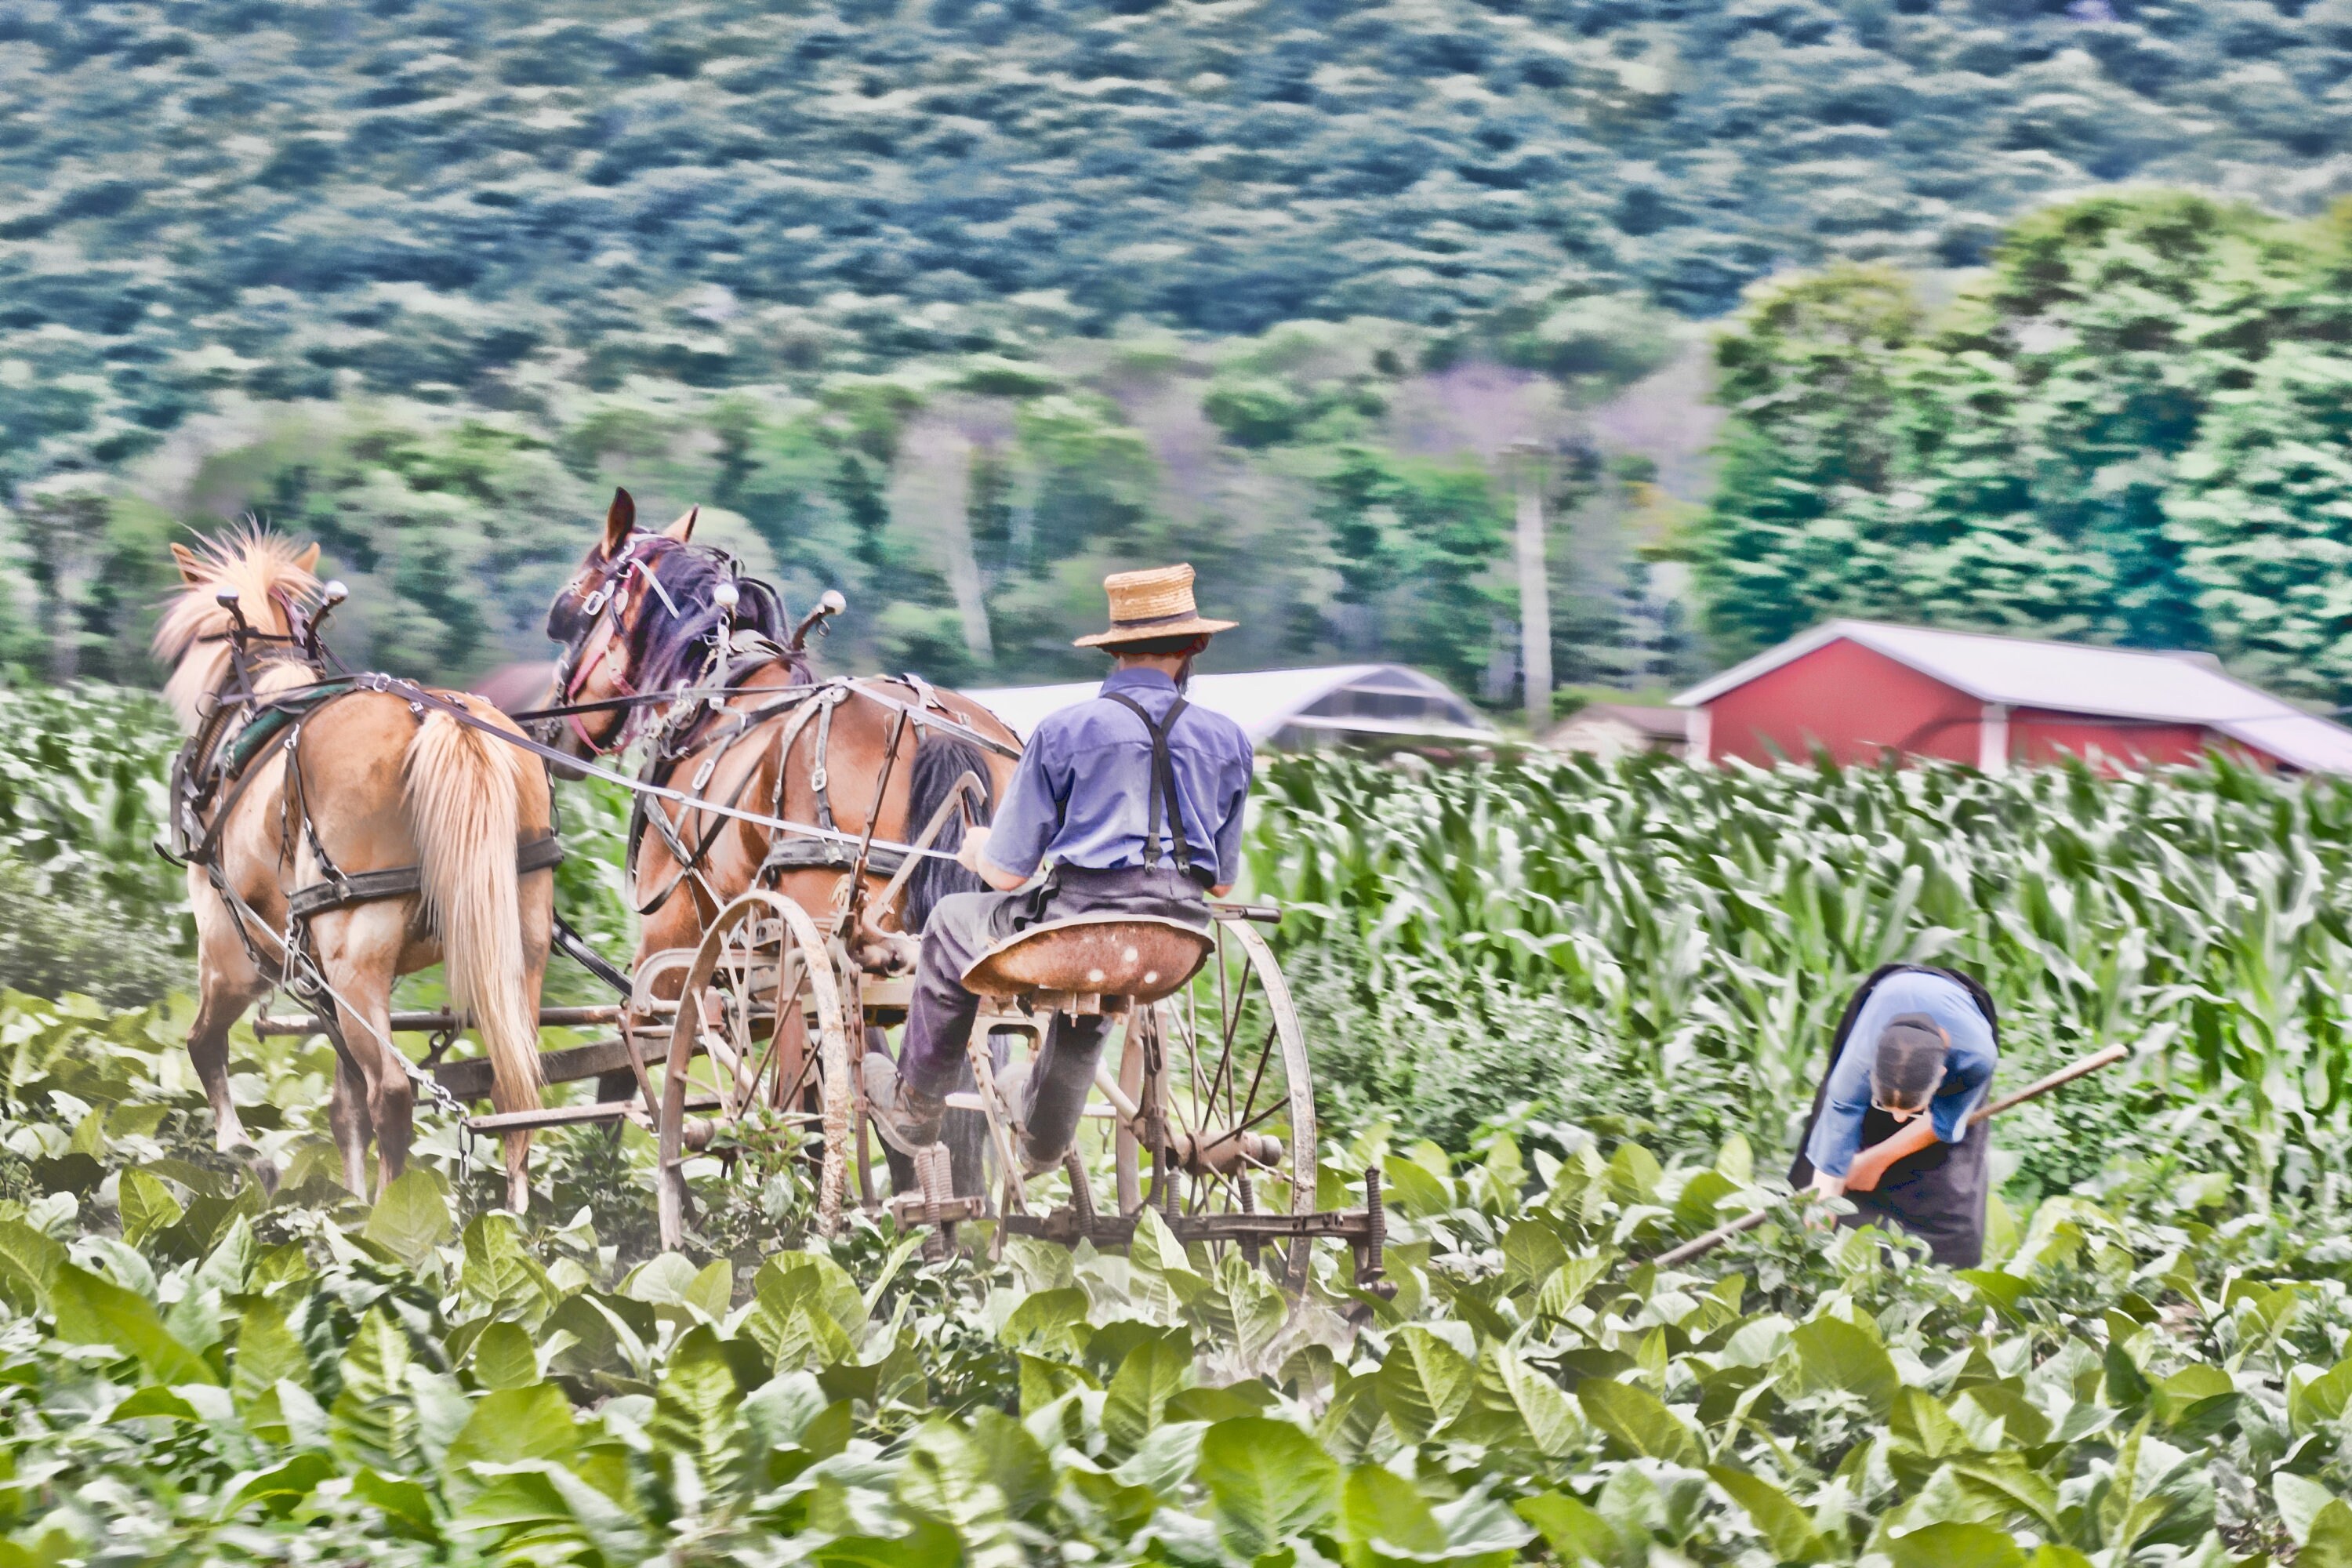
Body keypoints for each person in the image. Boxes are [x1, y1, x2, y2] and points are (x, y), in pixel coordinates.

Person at [866, 564, 1253, 1167]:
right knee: (1100, 983)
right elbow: (1222, 880)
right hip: (1175, 940)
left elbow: (1006, 876)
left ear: (1114, 649)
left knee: (948, 920)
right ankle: (1044, 1140)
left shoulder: (1067, 730)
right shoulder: (1230, 740)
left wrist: (976, 849)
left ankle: (915, 1109)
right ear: (1196, 644)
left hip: (1081, 921)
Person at [1786, 964, 2000, 1267]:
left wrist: (1875, 1160)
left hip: (1961, 1018)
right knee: (1818, 1181)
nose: (1898, 1119)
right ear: (1871, 1074)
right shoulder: (1857, 1065)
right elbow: (1834, 1144)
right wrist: (1823, 1203)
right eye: (1885, 1106)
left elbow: (1945, 1127)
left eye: (1911, 1111)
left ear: (1941, 1078)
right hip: (1883, 1007)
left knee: (1949, 1191)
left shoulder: (1975, 1058)